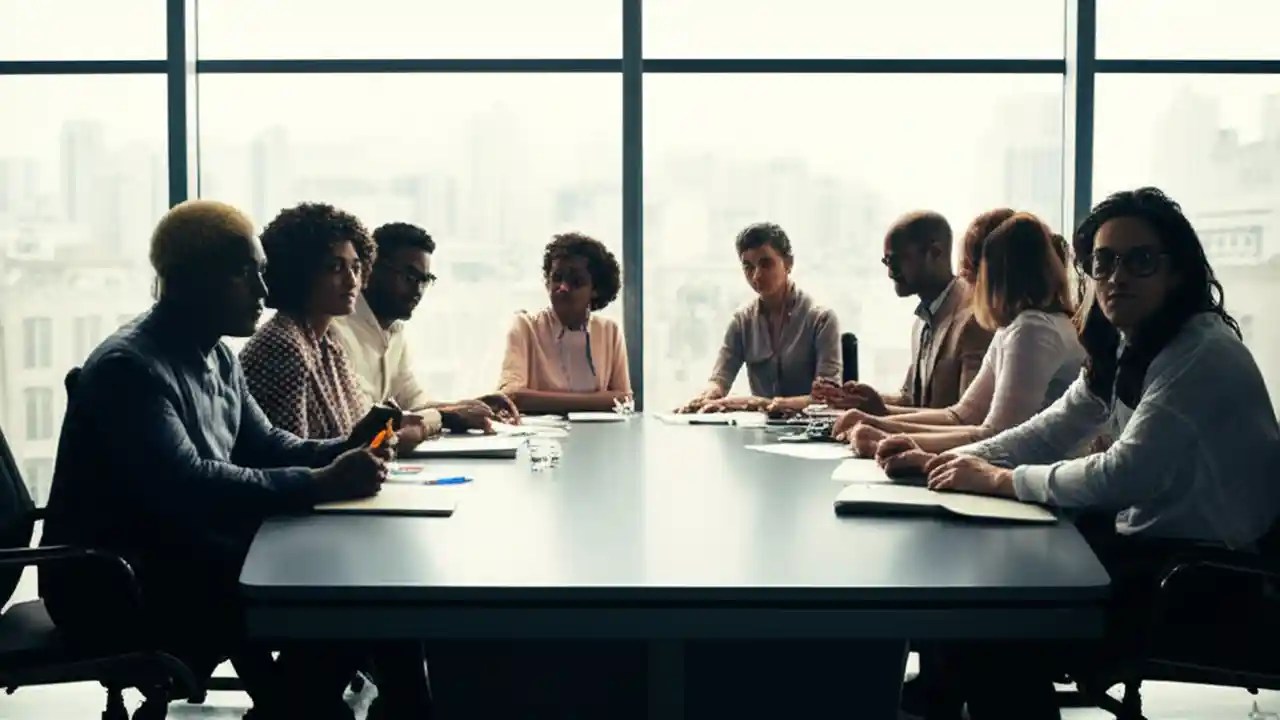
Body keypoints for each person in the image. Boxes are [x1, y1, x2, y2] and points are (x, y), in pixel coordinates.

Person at [880, 188, 1280, 719]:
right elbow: (1049, 429)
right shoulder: (1126, 343)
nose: (1116, 277)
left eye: (1140, 261)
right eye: (1103, 261)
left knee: (994, 618)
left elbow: (1121, 475)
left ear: (1177, 272)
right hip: (1156, 547)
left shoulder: (1199, 354)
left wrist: (999, 480)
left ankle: (946, 694)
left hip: (1207, 580)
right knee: (981, 595)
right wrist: (950, 464)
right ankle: (941, 695)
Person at [37, 200, 433, 720]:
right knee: (346, 602)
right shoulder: (129, 368)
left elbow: (268, 443)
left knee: (371, 597)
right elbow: (188, 483)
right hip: (120, 585)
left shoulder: (215, 352)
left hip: (189, 557)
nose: (264, 293)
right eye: (248, 275)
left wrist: (345, 447)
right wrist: (319, 482)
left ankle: (313, 707)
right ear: (195, 280)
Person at [835, 213, 1084, 457]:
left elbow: (997, 436)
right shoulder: (1013, 328)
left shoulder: (1033, 329)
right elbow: (961, 415)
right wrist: (875, 422)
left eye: (970, 269)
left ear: (995, 270)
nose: (964, 279)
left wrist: (887, 438)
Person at [241, 203, 489, 448]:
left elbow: (359, 430)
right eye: (336, 268)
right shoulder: (284, 345)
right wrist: (426, 424)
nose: (352, 281)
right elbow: (294, 461)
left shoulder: (327, 344)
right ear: (299, 271)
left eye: (356, 268)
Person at [332, 221, 520, 427]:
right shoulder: (337, 329)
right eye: (410, 276)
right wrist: (449, 416)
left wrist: (471, 405)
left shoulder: (395, 332)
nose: (418, 290)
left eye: (425, 279)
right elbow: (361, 417)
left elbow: (414, 404)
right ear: (371, 269)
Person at [812, 211, 994, 415]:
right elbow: (912, 402)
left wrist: (881, 412)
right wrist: (857, 399)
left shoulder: (974, 319)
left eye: (896, 260)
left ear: (935, 252)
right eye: (886, 262)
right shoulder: (922, 321)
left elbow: (968, 419)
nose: (890, 272)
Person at [676, 222, 841, 415]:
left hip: (810, 433)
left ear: (788, 263)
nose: (757, 275)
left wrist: (758, 403)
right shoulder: (742, 322)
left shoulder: (821, 320)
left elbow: (827, 400)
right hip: (762, 434)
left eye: (766, 264)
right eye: (748, 266)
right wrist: (703, 399)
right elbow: (719, 381)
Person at [497, 232, 631, 413]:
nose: (563, 288)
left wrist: (539, 400)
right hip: (539, 440)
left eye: (576, 281)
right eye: (557, 278)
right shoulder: (526, 327)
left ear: (596, 289)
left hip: (600, 437)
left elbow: (624, 400)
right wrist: (601, 401)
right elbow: (511, 396)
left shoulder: (609, 331)